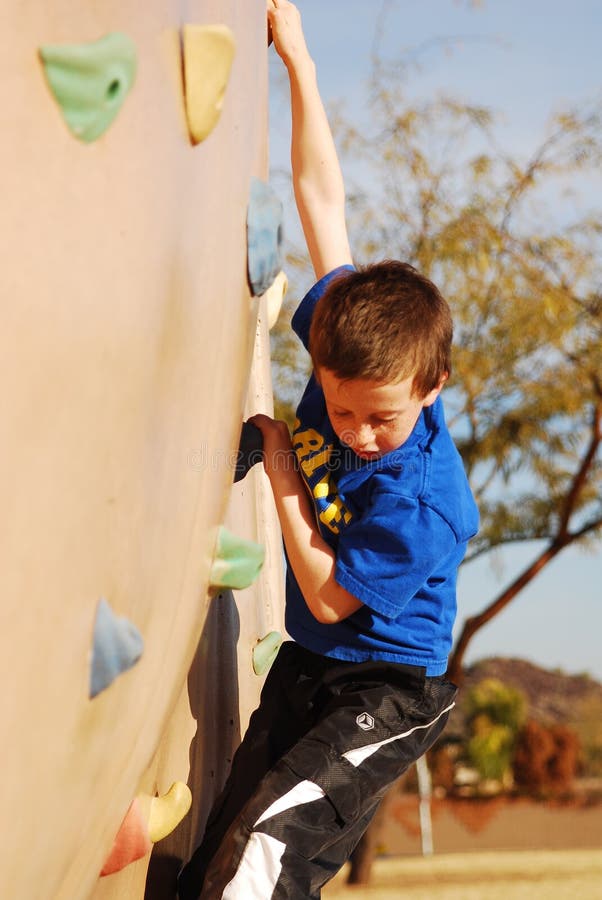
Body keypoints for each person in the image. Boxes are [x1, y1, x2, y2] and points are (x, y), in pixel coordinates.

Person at [178, 2, 479, 897]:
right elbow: (323, 200)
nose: (355, 433)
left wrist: (280, 462)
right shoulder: (346, 336)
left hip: (384, 689)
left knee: (260, 864)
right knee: (214, 852)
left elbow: (326, 592)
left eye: (379, 420)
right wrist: (300, 62)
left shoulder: (419, 501)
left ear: (432, 386)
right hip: (314, 664)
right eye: (339, 410)